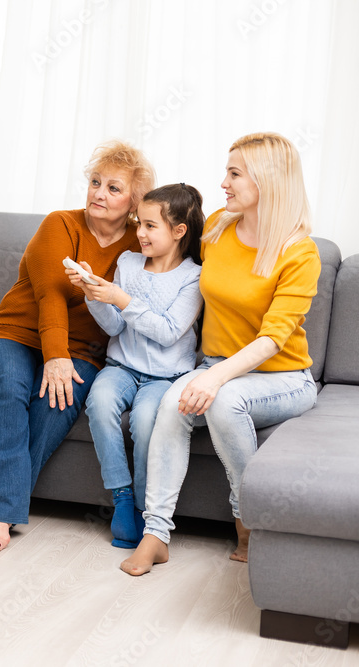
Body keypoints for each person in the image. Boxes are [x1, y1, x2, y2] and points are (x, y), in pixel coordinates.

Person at [121, 132, 320, 576]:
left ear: (266, 182)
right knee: (172, 406)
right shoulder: (216, 229)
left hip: (282, 377)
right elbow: (165, 259)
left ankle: (248, 520)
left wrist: (212, 379)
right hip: (216, 368)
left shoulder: (299, 252)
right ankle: (156, 535)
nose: (223, 182)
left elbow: (273, 339)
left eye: (234, 173)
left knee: (224, 399)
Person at [0, 140, 156, 552]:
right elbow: (51, 294)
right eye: (94, 182)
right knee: (10, 387)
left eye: (113, 188)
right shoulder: (59, 224)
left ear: (134, 203)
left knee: (56, 402)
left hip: (83, 353)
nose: (98, 194)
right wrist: (55, 356)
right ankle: (0, 512)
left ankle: (0, 501)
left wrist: (65, 360)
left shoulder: (139, 246)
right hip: (11, 336)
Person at [68, 184, 204, 549]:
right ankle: (122, 499)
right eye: (138, 223)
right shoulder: (127, 263)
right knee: (99, 403)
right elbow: (114, 325)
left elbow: (168, 332)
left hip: (166, 375)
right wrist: (93, 294)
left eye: (149, 226)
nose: (139, 233)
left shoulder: (193, 277)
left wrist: (120, 297)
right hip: (121, 366)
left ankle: (146, 511)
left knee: (146, 423)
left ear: (179, 231)